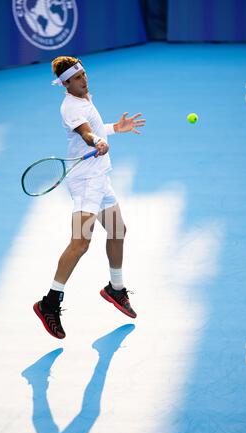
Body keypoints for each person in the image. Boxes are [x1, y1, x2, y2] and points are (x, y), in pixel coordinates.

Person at [33, 56, 146, 339]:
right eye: (78, 77)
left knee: (118, 230)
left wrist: (111, 130)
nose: (84, 79)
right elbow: (85, 134)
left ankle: (115, 289)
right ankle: (49, 302)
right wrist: (97, 140)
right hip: (86, 184)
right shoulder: (70, 106)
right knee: (81, 242)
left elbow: (92, 127)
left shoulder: (83, 99)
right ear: (66, 83)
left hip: (100, 180)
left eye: (84, 74)